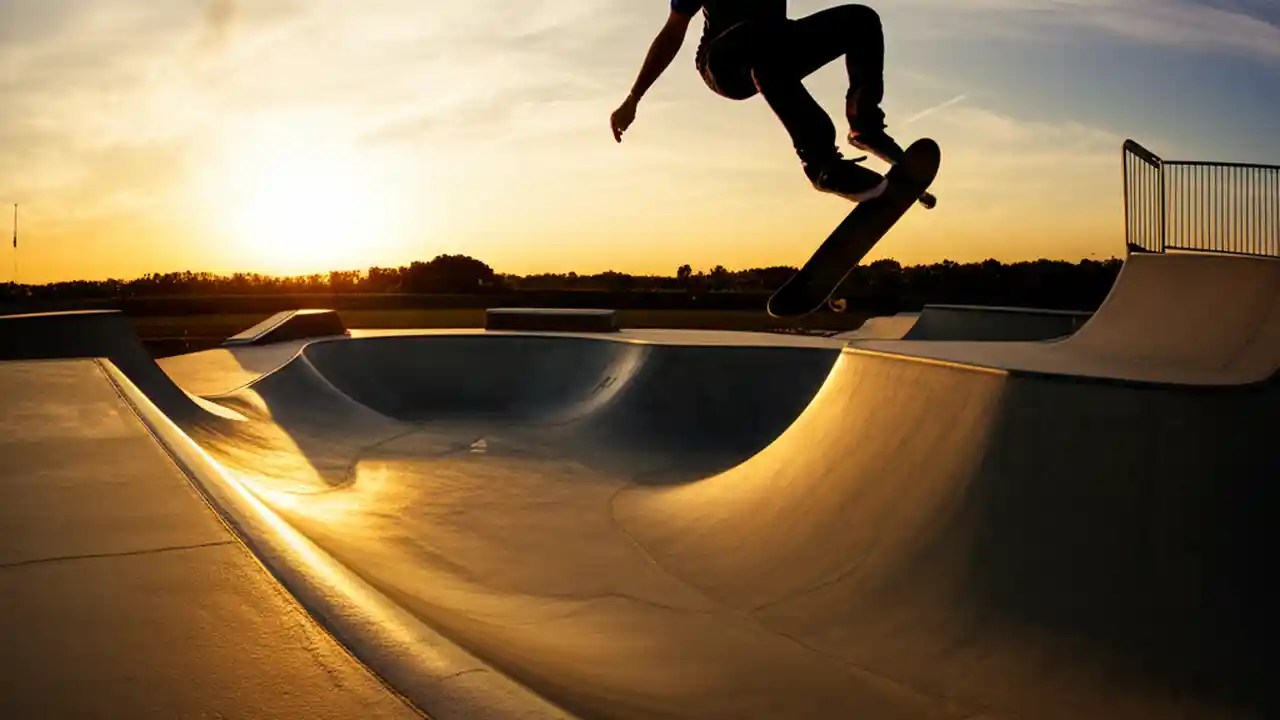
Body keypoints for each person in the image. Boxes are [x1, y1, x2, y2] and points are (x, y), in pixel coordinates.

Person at [611, 2, 905, 204]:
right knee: (758, 38)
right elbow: (672, 34)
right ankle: (820, 164)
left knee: (861, 21)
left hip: (777, 47)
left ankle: (864, 124)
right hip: (723, 62)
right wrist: (634, 97)